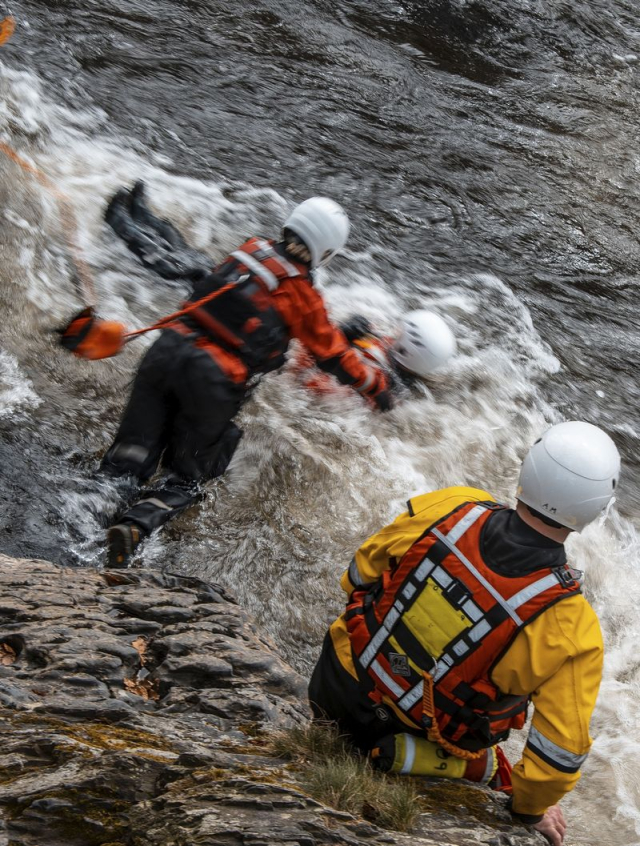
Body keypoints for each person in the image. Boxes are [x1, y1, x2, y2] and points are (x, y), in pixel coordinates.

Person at [309, 420, 620, 846]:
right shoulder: (571, 625)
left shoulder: (453, 504)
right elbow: (557, 757)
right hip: (403, 740)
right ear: (597, 509)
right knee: (501, 770)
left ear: (528, 467)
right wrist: (530, 811)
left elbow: (358, 575)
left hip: (333, 684)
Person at [101, 184, 392, 568]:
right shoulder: (303, 296)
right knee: (188, 477)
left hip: (165, 351)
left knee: (127, 460)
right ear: (326, 251)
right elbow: (333, 355)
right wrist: (379, 389)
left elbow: (198, 272)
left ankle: (88, 510)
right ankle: (134, 526)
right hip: (212, 380)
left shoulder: (250, 250)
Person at [292, 309, 457, 398]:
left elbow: (302, 379)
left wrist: (338, 335)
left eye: (397, 335)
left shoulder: (374, 380)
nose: (389, 336)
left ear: (405, 350)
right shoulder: (398, 373)